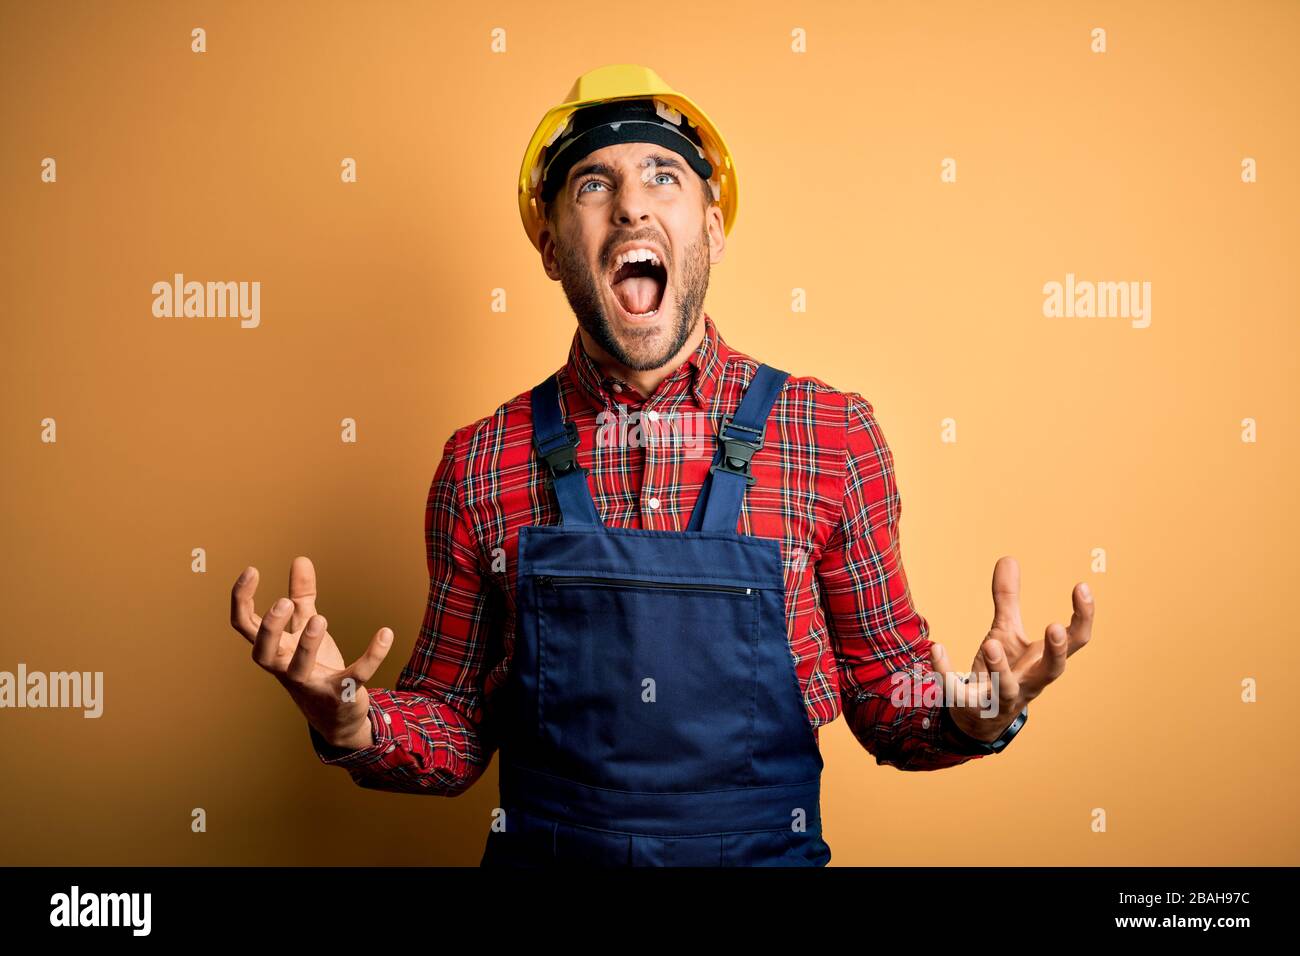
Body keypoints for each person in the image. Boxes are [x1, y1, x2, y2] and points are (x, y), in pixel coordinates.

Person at [227, 64, 1096, 867]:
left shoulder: (831, 433)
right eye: (594, 184)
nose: (632, 209)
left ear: (711, 232)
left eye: (663, 177)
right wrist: (350, 721)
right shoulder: (479, 462)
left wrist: (978, 711)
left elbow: (887, 700)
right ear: (552, 249)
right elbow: (451, 732)